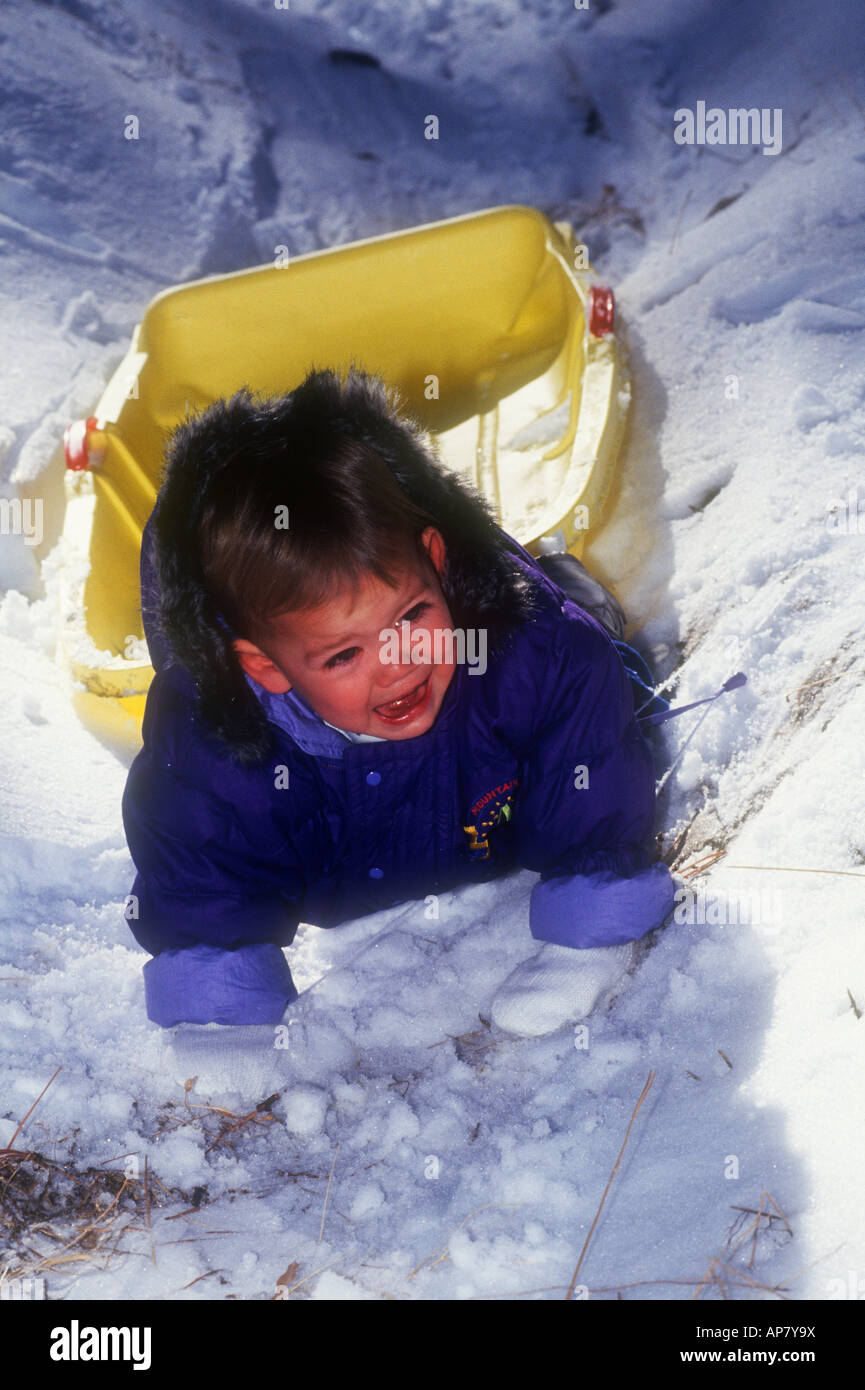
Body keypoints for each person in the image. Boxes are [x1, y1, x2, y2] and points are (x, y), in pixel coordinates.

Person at [122, 365, 674, 1067]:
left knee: (582, 648)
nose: (401, 662)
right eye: (343, 655)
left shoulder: (528, 660)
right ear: (264, 667)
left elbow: (590, 774)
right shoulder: (215, 750)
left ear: (436, 562)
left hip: (494, 801)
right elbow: (198, 871)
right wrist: (222, 1014)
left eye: (411, 614)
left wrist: (591, 917)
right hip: (329, 855)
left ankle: (560, 583)